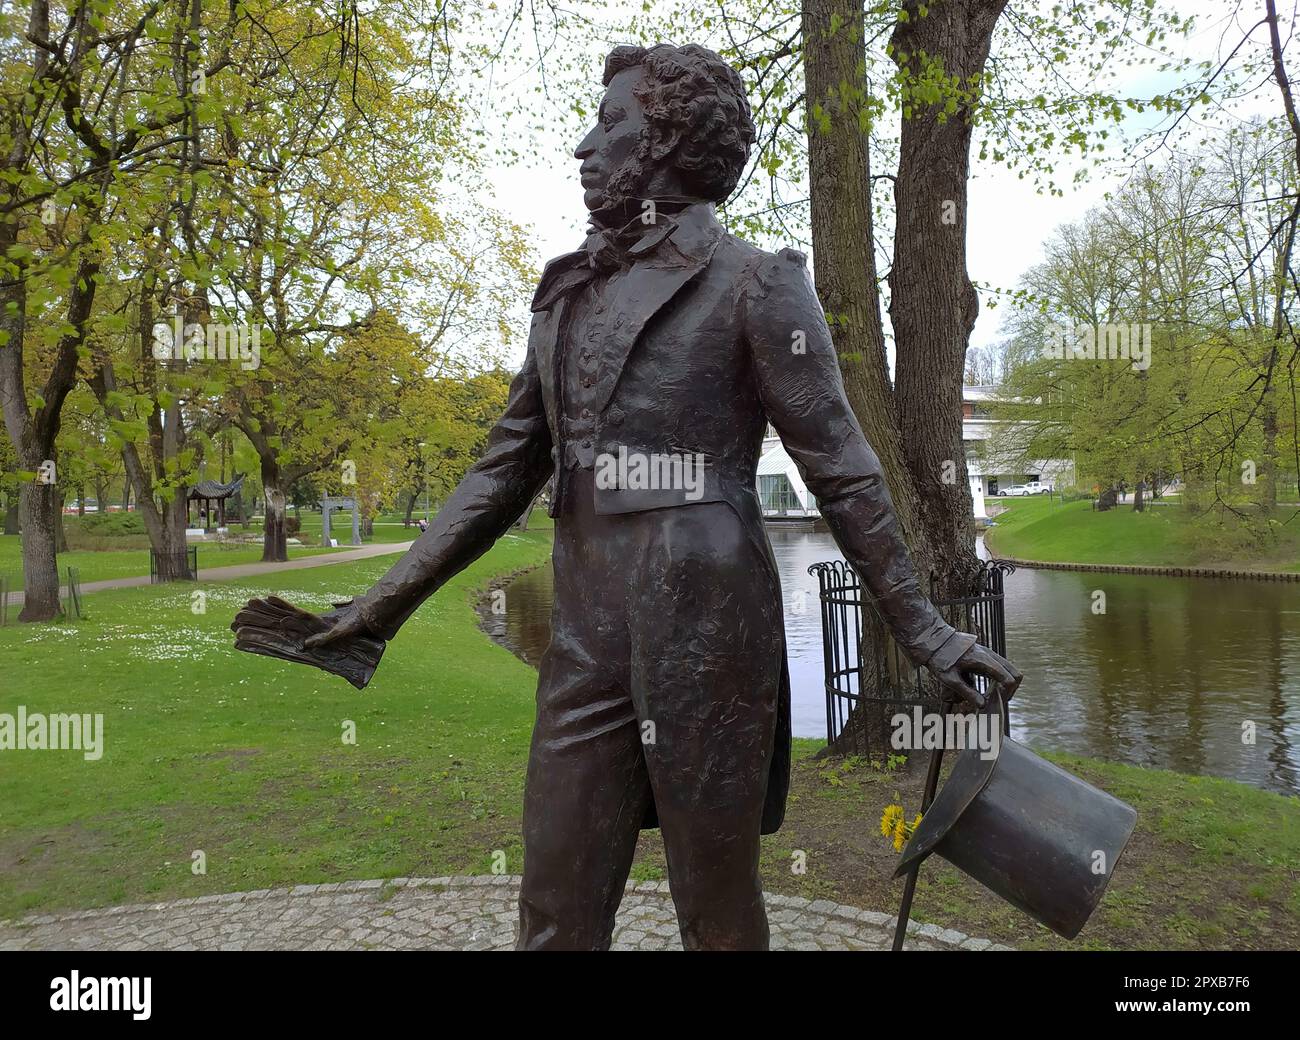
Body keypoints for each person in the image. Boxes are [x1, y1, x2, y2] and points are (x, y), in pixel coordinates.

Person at [300, 42, 1022, 950]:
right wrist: (379, 607)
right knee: (554, 897)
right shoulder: (564, 294)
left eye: (611, 126)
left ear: (669, 141)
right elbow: (499, 471)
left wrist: (923, 629)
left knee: (714, 905)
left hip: (709, 621)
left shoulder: (759, 283)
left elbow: (841, 467)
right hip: (585, 632)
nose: (583, 148)